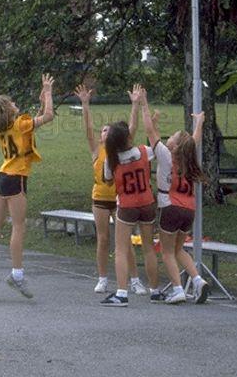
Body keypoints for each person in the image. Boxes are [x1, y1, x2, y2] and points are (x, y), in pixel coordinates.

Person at [0, 74, 54, 298]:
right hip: (15, 177)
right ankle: (17, 275)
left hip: (1, 176)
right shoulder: (19, 123)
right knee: (19, 227)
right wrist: (48, 91)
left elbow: (31, 127)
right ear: (8, 109)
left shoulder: (1, 128)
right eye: (12, 103)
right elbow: (49, 116)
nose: (15, 103)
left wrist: (41, 101)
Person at [73, 84, 148, 295]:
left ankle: (135, 280)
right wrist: (85, 104)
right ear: (100, 136)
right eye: (103, 130)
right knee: (103, 239)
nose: (105, 131)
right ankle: (103, 278)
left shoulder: (119, 150)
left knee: (124, 242)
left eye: (109, 129)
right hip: (100, 199)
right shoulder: (97, 149)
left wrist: (135, 104)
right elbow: (88, 128)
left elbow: (132, 129)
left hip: (119, 198)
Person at [141, 91, 210, 304]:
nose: (167, 137)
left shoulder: (165, 155)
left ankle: (178, 289)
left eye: (172, 136)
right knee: (179, 249)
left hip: (170, 206)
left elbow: (150, 132)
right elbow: (194, 141)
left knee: (167, 252)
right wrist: (199, 122)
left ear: (175, 145)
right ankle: (198, 280)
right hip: (189, 209)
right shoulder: (189, 157)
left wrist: (143, 102)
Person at [100, 119, 160, 307]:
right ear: (128, 137)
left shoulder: (111, 160)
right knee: (149, 248)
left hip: (127, 205)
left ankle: (121, 293)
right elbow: (156, 151)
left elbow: (108, 181)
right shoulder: (143, 151)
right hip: (147, 202)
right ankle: (155, 291)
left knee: (121, 249)